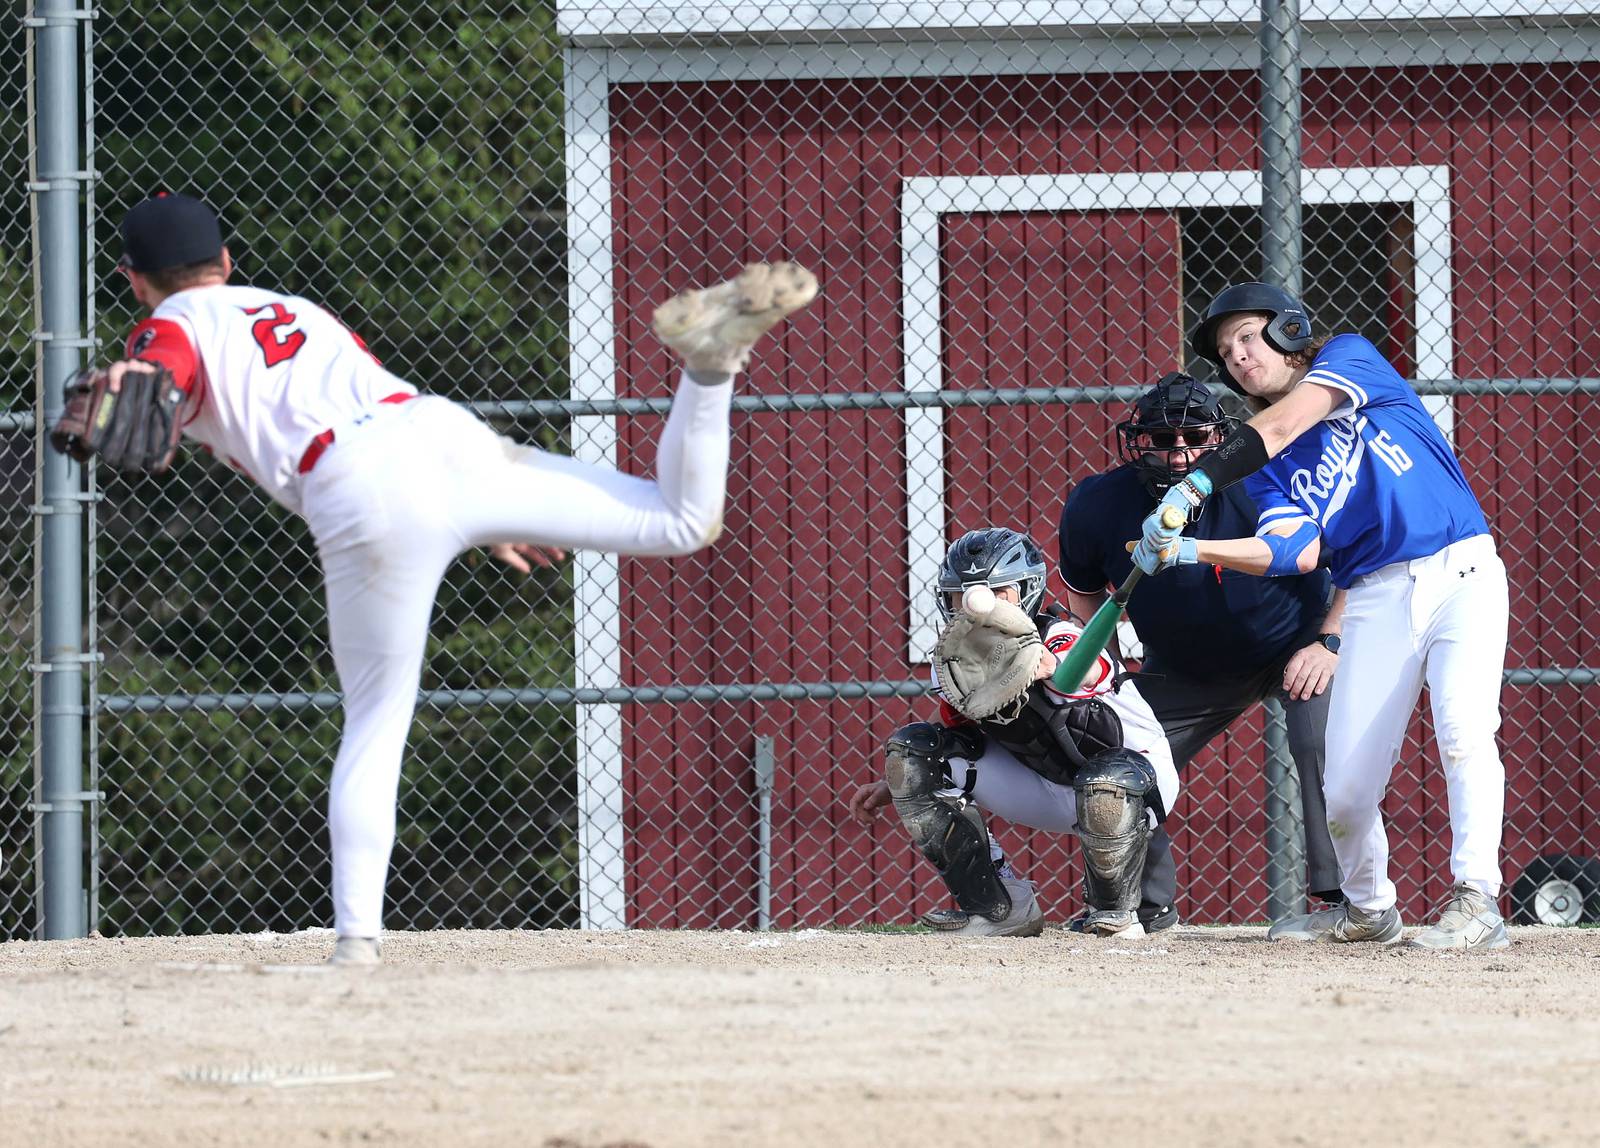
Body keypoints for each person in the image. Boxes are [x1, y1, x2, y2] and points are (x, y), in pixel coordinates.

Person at [96, 192, 818, 965]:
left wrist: (141, 370)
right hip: (442, 436)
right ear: (227, 263)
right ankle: (710, 366)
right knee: (678, 522)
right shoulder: (295, 308)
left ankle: (357, 945)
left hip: (355, 483)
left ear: (134, 280)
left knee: (376, 717)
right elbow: (379, 412)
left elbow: (166, 359)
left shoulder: (168, 324)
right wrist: (479, 509)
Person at [1131, 282, 1510, 950]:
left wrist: (1193, 486)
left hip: (1461, 571)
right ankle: (1369, 909)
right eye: (1227, 351)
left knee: (1463, 730)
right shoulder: (1269, 472)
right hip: (1372, 597)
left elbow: (1275, 426)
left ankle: (1476, 899)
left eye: (1249, 335)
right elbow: (1293, 550)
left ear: (1290, 328)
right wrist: (1191, 547)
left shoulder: (1349, 358)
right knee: (1345, 790)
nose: (1240, 356)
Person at [1058, 372, 1346, 932]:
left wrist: (1330, 640)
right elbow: (1088, 595)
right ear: (1138, 441)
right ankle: (1140, 905)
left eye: (1194, 436)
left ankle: (1350, 902)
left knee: (1320, 739)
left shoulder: (1263, 476)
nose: (1180, 451)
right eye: (1164, 439)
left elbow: (1352, 558)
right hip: (1187, 665)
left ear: (1221, 438)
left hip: (1294, 641)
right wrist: (1109, 678)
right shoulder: (1099, 503)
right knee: (1113, 748)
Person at [847, 527, 1180, 939]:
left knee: (1107, 779)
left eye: (997, 594)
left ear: (1027, 591)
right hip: (1043, 780)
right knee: (914, 754)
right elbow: (962, 734)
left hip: (1135, 783)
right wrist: (900, 784)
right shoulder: (955, 664)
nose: (975, 608)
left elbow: (1090, 667)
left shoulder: (1061, 635)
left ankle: (1116, 914)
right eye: (960, 596)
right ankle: (1001, 908)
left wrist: (1053, 666)